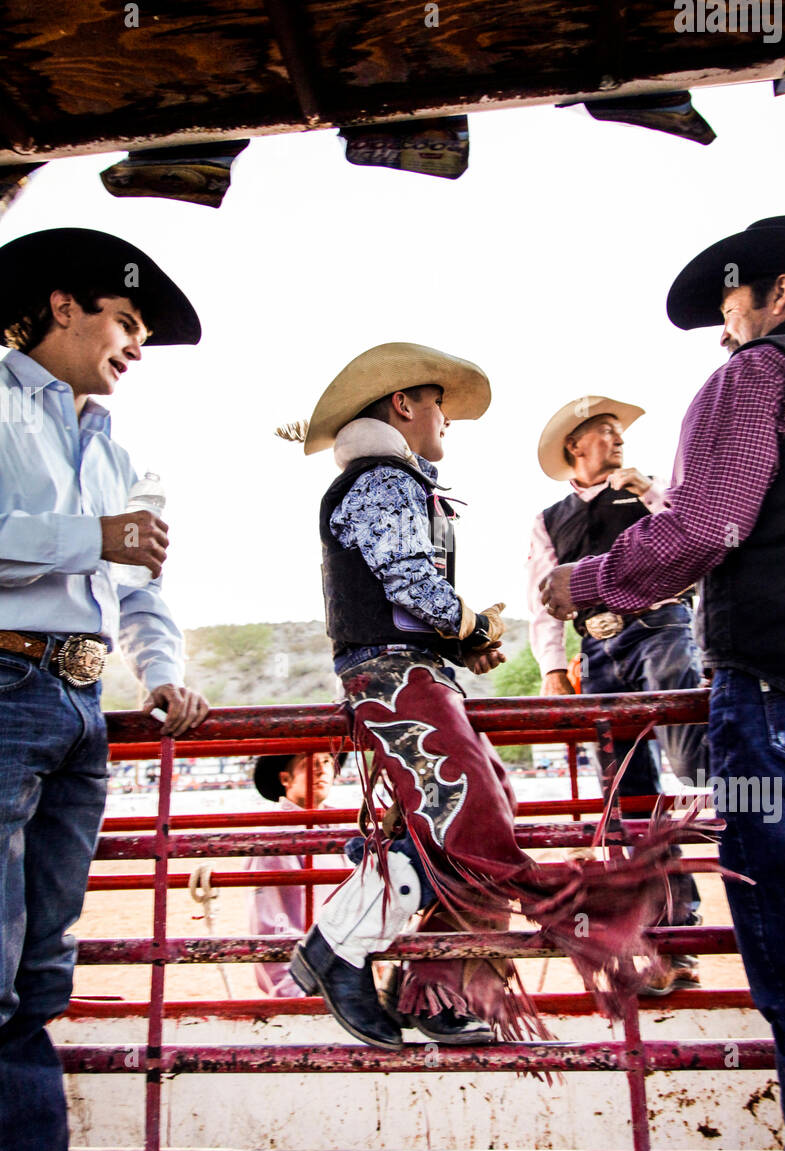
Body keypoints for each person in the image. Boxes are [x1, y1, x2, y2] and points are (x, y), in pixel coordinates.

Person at [540, 215, 785, 1151]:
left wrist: (585, 585)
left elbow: (705, 524)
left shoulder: (759, 373)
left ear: (772, 292)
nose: (725, 329)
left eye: (730, 306)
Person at [282, 342, 680, 1051]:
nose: (446, 422)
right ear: (404, 404)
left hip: (403, 672)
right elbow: (408, 581)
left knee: (470, 807)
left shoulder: (391, 480)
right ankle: (339, 947)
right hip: (398, 677)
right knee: (470, 814)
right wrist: (472, 625)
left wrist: (460, 641)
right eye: (439, 405)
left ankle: (438, 986)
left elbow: (399, 593)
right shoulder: (386, 480)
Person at [0, 226, 209, 1151]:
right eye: (125, 321)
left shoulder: (114, 450)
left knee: (40, 971)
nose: (133, 346)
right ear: (62, 307)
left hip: (79, 705)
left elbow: (145, 586)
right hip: (6, 694)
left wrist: (159, 670)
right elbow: (102, 547)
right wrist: (98, 534)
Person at [528, 396, 707, 992]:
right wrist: (553, 670)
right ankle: (670, 943)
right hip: (600, 647)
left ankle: (740, 803)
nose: (618, 439)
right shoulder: (549, 519)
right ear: (575, 447)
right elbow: (542, 600)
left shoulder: (649, 492)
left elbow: (696, 531)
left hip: (660, 626)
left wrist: (649, 489)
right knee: (630, 797)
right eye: (605, 432)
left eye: (618, 431)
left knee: (686, 758)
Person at [247, 751, 348, 997]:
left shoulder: (343, 827)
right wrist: (293, 996)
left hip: (348, 977)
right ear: (285, 779)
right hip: (315, 985)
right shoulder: (277, 839)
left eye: (326, 761)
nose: (322, 769)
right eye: (309, 764)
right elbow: (271, 927)